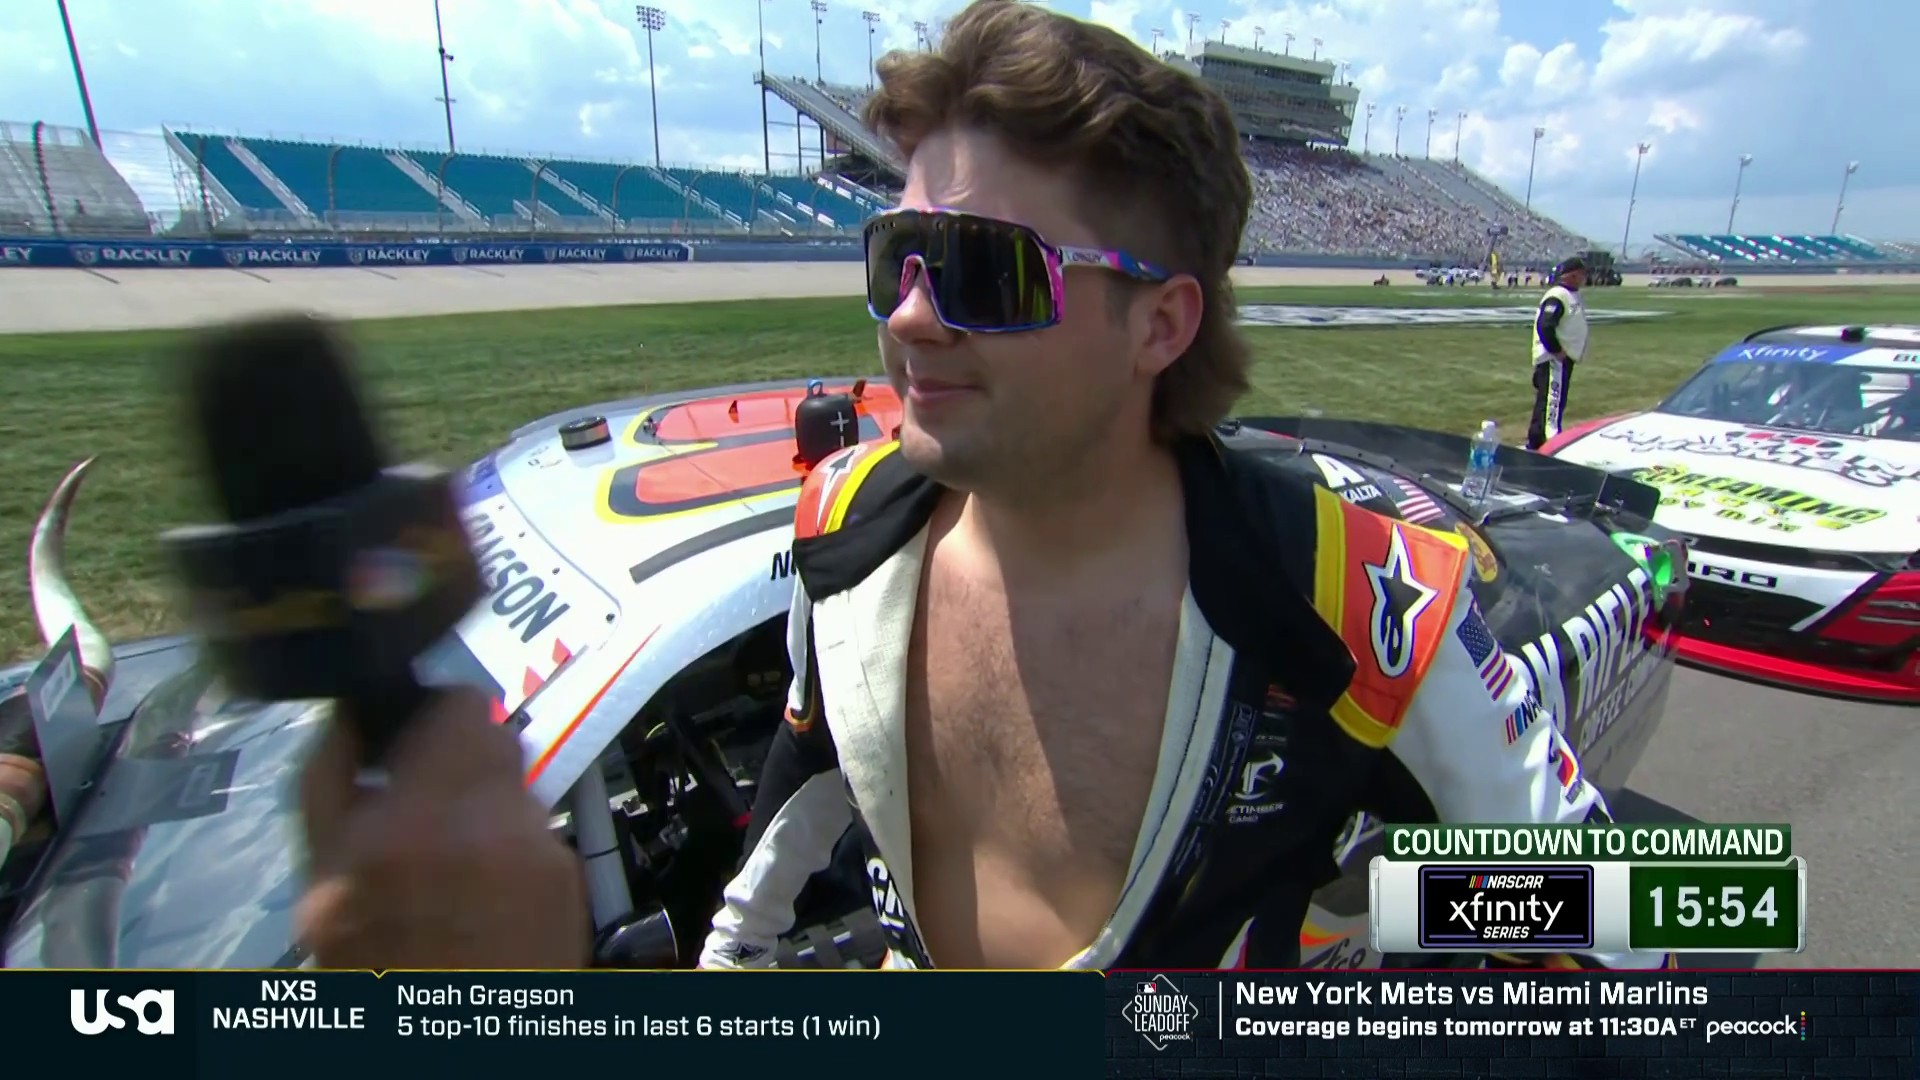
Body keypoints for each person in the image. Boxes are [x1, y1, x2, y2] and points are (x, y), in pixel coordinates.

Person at [296, 0, 1666, 974]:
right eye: (898, 254)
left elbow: (1655, 919)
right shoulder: (844, 521)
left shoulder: (1357, 593)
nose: (909, 317)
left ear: (1162, 327)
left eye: (985, 273)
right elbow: (803, 798)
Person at [1526, 256, 1589, 450]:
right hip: (1554, 359)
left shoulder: (1571, 295)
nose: (1584, 278)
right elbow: (1545, 325)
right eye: (1581, 274)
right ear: (1573, 275)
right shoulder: (1558, 295)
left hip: (1562, 358)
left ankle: (1537, 440)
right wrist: (1556, 350)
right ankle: (1548, 442)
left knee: (1553, 400)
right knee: (1551, 403)